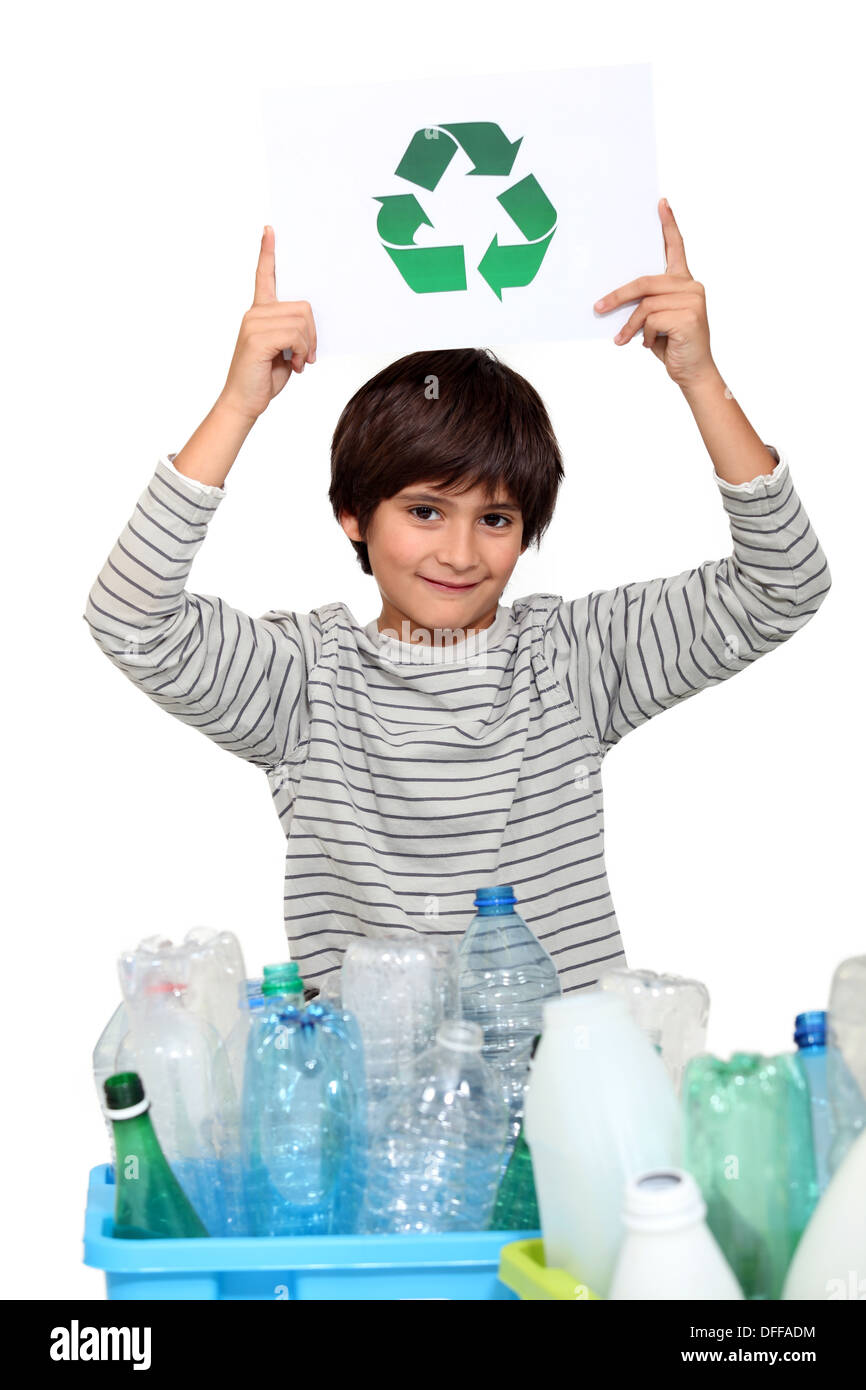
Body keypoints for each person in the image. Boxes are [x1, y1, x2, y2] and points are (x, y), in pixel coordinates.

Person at [83, 200, 831, 996]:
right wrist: (238, 404)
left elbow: (783, 583)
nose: (461, 553)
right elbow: (130, 618)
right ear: (353, 515)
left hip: (564, 1098)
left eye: (497, 519)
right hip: (376, 1106)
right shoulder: (305, 680)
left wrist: (700, 378)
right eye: (425, 510)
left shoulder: (573, 658)